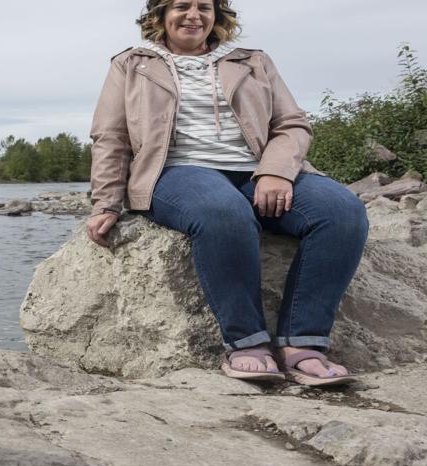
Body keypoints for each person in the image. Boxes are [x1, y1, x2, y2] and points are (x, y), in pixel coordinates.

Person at [85, 0, 369, 385]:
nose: (193, 15)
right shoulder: (132, 63)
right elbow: (111, 136)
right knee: (225, 211)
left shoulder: (252, 60)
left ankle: (303, 343)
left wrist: (275, 173)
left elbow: (292, 124)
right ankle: (247, 342)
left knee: (341, 211)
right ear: (160, 15)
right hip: (176, 171)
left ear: (218, 16)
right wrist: (106, 202)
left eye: (204, 6)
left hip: (257, 168)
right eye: (181, 5)